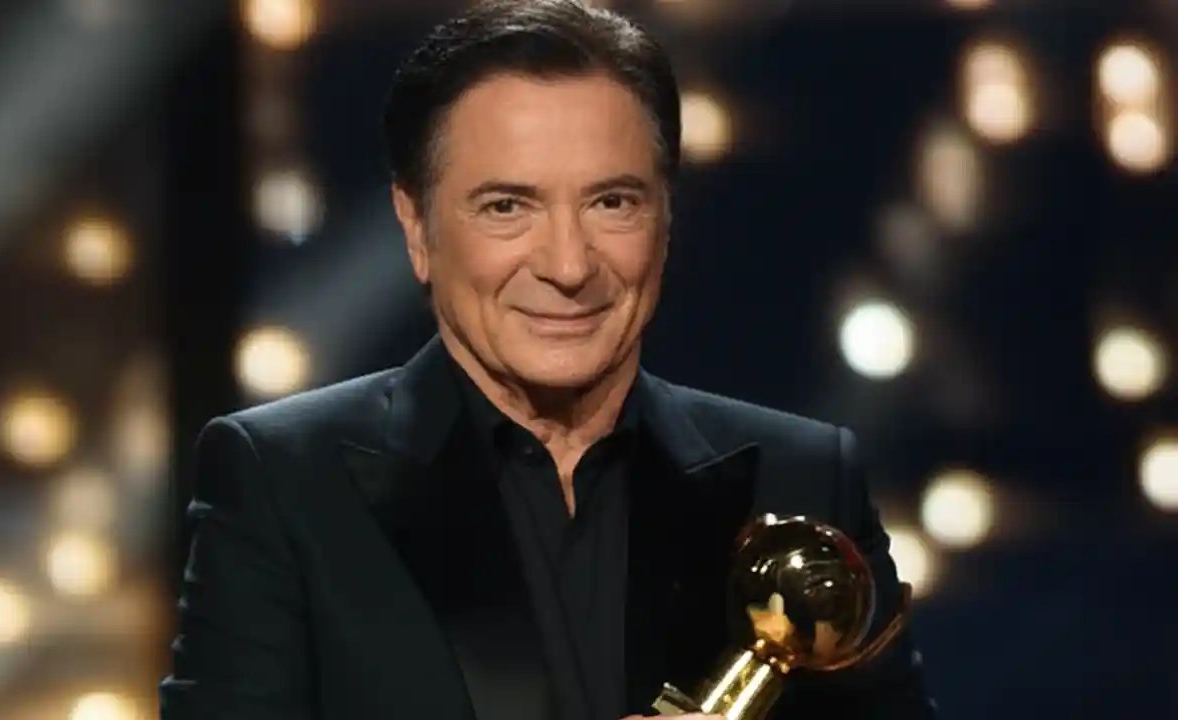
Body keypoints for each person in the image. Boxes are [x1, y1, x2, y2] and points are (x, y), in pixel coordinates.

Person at [158, 1, 935, 718]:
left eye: (612, 202)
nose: (568, 265)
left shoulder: (804, 479)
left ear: (666, 217)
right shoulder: (284, 481)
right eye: (508, 207)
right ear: (417, 228)